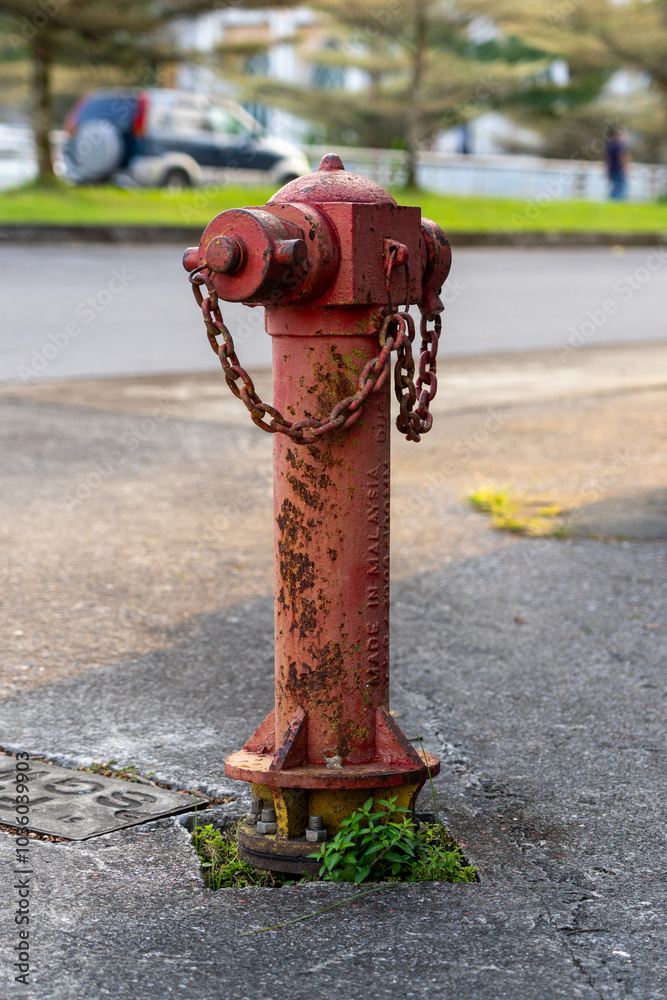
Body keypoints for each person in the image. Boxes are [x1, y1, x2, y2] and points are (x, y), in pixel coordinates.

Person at [605, 127, 630, 200]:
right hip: (619, 169)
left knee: (615, 186)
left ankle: (612, 200)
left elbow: (607, 159)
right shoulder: (621, 146)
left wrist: (608, 170)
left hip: (612, 169)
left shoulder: (610, 146)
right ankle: (617, 201)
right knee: (621, 186)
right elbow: (622, 158)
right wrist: (625, 169)